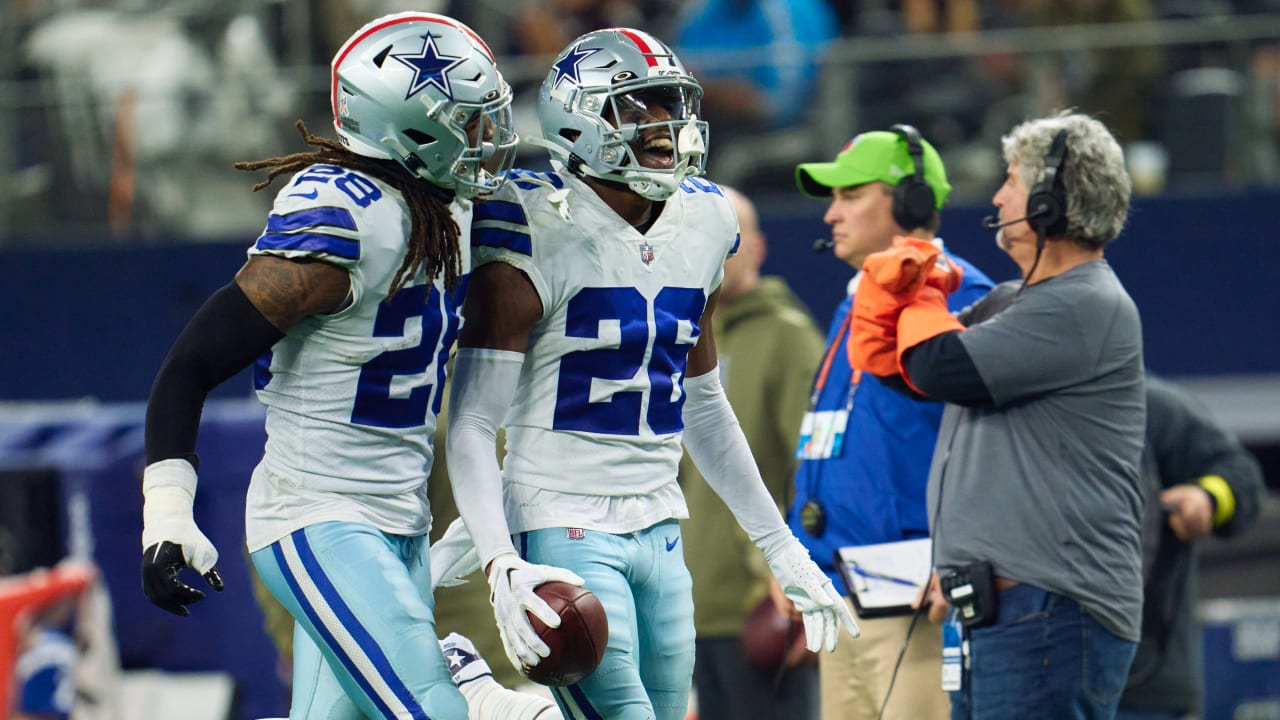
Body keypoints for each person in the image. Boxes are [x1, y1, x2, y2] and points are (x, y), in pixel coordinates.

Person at [443, 27, 859, 720]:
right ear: (578, 119)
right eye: (637, 108)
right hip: (561, 518)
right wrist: (498, 561)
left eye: (671, 105)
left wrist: (782, 549)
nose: (664, 125)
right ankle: (492, 705)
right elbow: (473, 423)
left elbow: (702, 403)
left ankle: (491, 707)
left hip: (663, 523)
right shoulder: (529, 218)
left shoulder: (704, 218)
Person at [137, 12, 519, 720]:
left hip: (401, 523)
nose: (487, 140)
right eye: (468, 122)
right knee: (439, 708)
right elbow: (190, 364)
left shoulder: (456, 209)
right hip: (319, 516)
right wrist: (165, 512)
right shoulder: (344, 217)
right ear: (409, 129)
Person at [854, 111, 1145, 719]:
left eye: (1010, 179)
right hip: (1005, 612)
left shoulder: (1086, 301)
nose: (995, 195)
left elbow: (941, 366)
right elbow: (908, 374)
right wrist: (895, 303)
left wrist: (921, 283)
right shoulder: (1015, 302)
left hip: (1050, 610)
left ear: (1047, 200)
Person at [788, 125, 993, 720]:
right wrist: (798, 551)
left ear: (910, 202)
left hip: (916, 601)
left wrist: (962, 551)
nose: (831, 214)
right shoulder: (857, 298)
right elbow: (829, 434)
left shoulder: (955, 296)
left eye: (851, 195)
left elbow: (993, 443)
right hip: (844, 592)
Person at [677, 186, 827, 720]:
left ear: (758, 248)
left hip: (756, 610)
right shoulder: (677, 337)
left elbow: (817, 469)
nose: (716, 251)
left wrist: (799, 573)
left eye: (730, 239)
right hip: (687, 605)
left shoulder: (789, 338)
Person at [1119, 375, 1264, 720]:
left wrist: (1208, 498)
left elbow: (1242, 477)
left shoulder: (1155, 407)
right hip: (1047, 676)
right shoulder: (1033, 412)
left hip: (1148, 687)